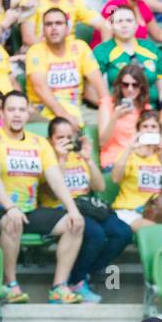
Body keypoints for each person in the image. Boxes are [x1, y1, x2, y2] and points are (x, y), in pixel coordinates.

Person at [0, 90, 84, 304]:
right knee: (12, 221)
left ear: (28, 114)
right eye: (11, 109)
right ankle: (10, 285)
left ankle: (59, 287)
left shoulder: (39, 143)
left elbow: (55, 179)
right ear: (3, 114)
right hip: (0, 209)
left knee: (76, 224)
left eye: (21, 110)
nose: (17, 115)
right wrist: (9, 207)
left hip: (31, 209)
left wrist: (73, 209)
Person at [44, 116, 131, 301]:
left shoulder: (79, 155)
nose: (67, 141)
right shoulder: (47, 157)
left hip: (87, 206)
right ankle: (77, 280)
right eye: (60, 137)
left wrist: (89, 159)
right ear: (50, 139)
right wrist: (60, 159)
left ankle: (81, 272)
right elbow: (53, 192)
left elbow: (99, 187)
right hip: (62, 208)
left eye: (70, 136)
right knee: (96, 235)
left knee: (122, 232)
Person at [25, 6, 104, 125]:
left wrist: (109, 107)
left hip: (77, 107)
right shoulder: (35, 51)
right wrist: (65, 116)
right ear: (43, 30)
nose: (54, 28)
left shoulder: (80, 47)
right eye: (49, 24)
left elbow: (98, 83)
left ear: (67, 29)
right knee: (62, 128)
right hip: (44, 109)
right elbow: (40, 88)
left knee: (107, 123)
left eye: (59, 23)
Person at [95, 3, 162, 103]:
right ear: (111, 25)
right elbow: (91, 90)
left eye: (129, 21)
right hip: (118, 110)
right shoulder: (102, 51)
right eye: (119, 21)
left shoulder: (151, 48)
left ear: (136, 25)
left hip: (151, 110)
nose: (124, 25)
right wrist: (110, 108)